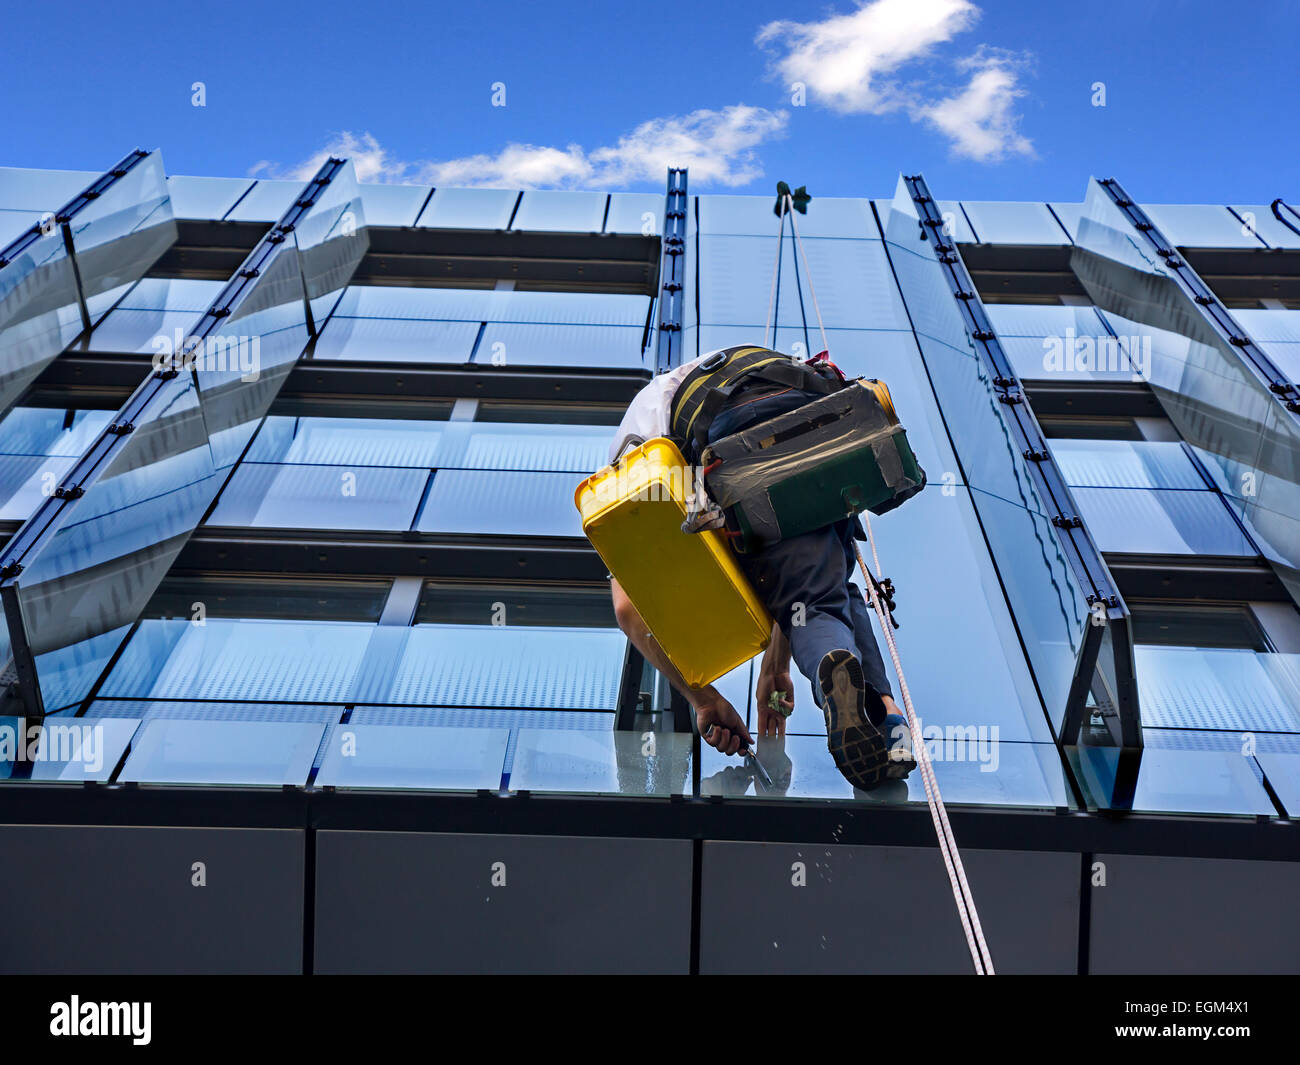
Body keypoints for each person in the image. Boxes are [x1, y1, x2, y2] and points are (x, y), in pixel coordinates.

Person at [607, 345, 916, 790]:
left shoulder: (627, 465)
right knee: (827, 588)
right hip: (816, 420)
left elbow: (628, 612)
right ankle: (888, 718)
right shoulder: (710, 372)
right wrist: (775, 670)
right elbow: (788, 582)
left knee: (816, 599)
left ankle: (839, 671)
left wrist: (705, 700)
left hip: (734, 442)